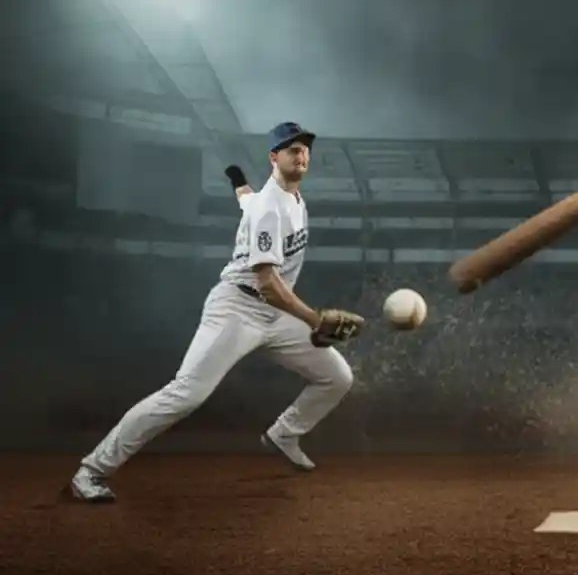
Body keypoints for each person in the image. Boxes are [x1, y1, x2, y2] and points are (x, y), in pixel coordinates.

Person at [69, 122, 366, 503]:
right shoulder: (270, 208)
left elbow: (246, 200)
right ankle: (91, 470)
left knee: (337, 376)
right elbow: (268, 285)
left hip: (276, 314)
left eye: (305, 147)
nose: (302, 154)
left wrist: (237, 179)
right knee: (184, 395)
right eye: (292, 148)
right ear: (274, 157)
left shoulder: (286, 198)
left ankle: (284, 433)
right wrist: (316, 320)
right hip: (238, 309)